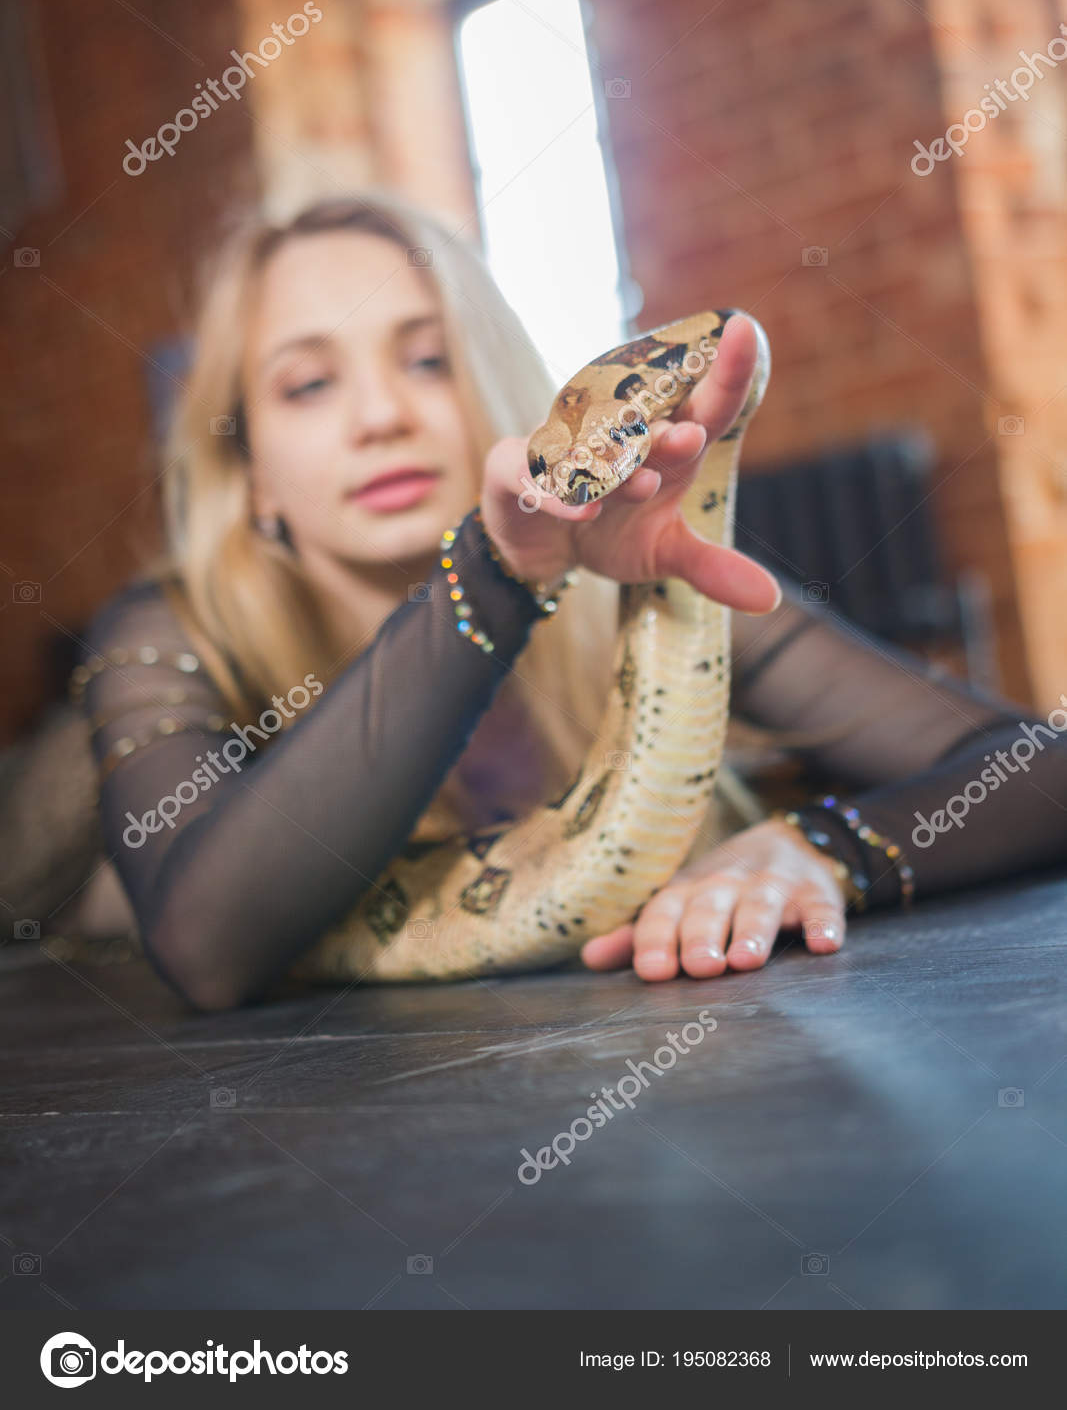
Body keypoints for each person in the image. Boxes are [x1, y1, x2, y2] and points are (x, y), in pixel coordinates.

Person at [63, 190, 1067, 1011]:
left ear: (498, 384)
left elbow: (1040, 772)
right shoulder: (165, 629)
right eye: (308, 383)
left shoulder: (645, 570)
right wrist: (495, 572)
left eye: (427, 358)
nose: (379, 416)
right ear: (248, 471)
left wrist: (819, 846)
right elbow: (207, 945)